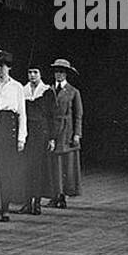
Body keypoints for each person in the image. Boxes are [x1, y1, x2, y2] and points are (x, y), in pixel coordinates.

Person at [0, 50, 28, 220]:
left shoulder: (17, 86)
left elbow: (22, 114)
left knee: (6, 170)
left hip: (9, 128)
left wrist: (21, 138)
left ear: (9, 67)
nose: (0, 69)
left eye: (3, 66)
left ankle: (4, 207)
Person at [21, 65, 58, 214]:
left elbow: (52, 116)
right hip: (27, 133)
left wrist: (52, 138)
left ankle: (36, 203)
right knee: (26, 168)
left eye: (35, 72)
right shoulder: (22, 90)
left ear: (40, 74)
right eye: (30, 72)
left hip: (41, 134)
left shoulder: (47, 91)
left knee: (38, 168)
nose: (32, 75)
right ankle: (26, 203)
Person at [49, 58, 83, 207]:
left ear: (66, 74)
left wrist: (77, 134)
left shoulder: (73, 92)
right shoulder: (48, 90)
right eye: (56, 71)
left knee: (66, 165)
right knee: (54, 165)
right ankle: (55, 194)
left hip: (66, 131)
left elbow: (78, 115)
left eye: (62, 72)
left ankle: (63, 196)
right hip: (52, 131)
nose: (59, 74)